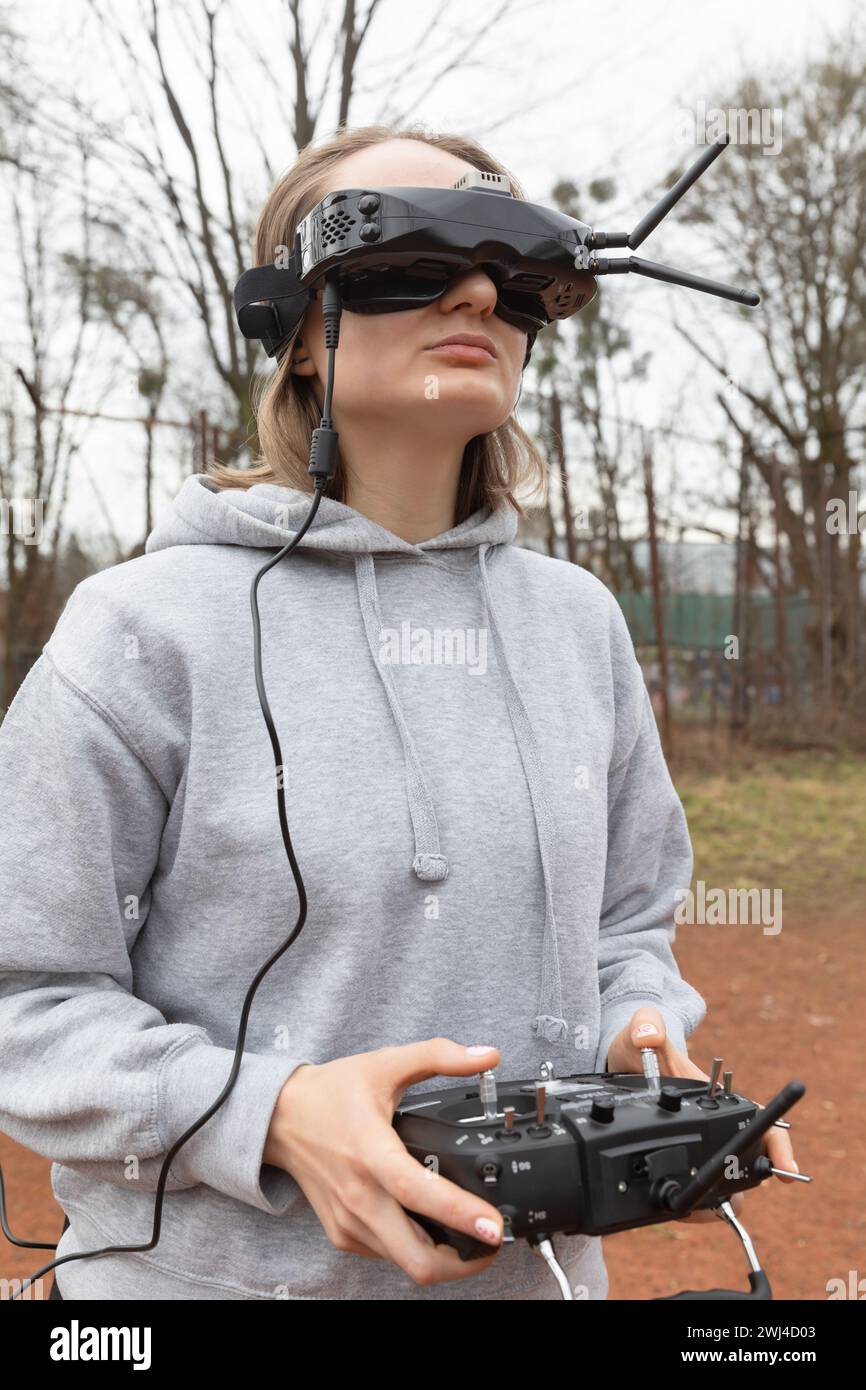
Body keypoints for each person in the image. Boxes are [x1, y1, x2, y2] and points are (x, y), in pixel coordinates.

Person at [0, 121, 798, 1303]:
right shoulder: (140, 629)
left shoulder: (576, 625)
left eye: (515, 275)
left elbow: (627, 921)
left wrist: (636, 1027)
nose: (475, 290)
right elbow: (28, 999)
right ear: (297, 333)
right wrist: (269, 1113)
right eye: (410, 261)